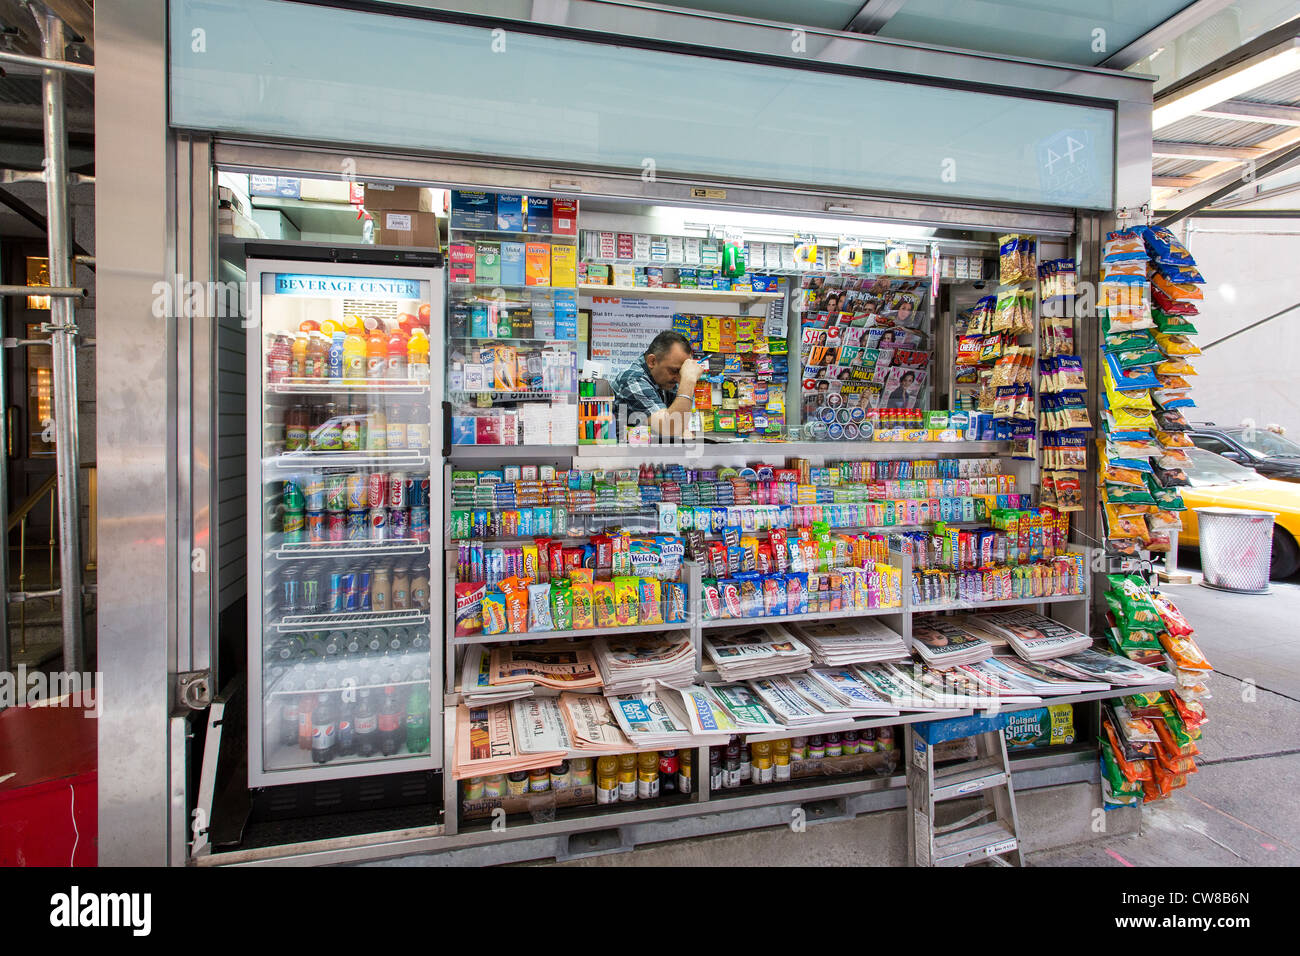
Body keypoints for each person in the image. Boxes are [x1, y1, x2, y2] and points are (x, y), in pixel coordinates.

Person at [610, 330, 704, 438]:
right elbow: (671, 428)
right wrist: (688, 380)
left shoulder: (664, 379)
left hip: (647, 450)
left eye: (682, 372)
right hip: (621, 453)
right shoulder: (632, 380)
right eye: (675, 370)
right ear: (652, 361)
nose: (678, 379)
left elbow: (681, 428)